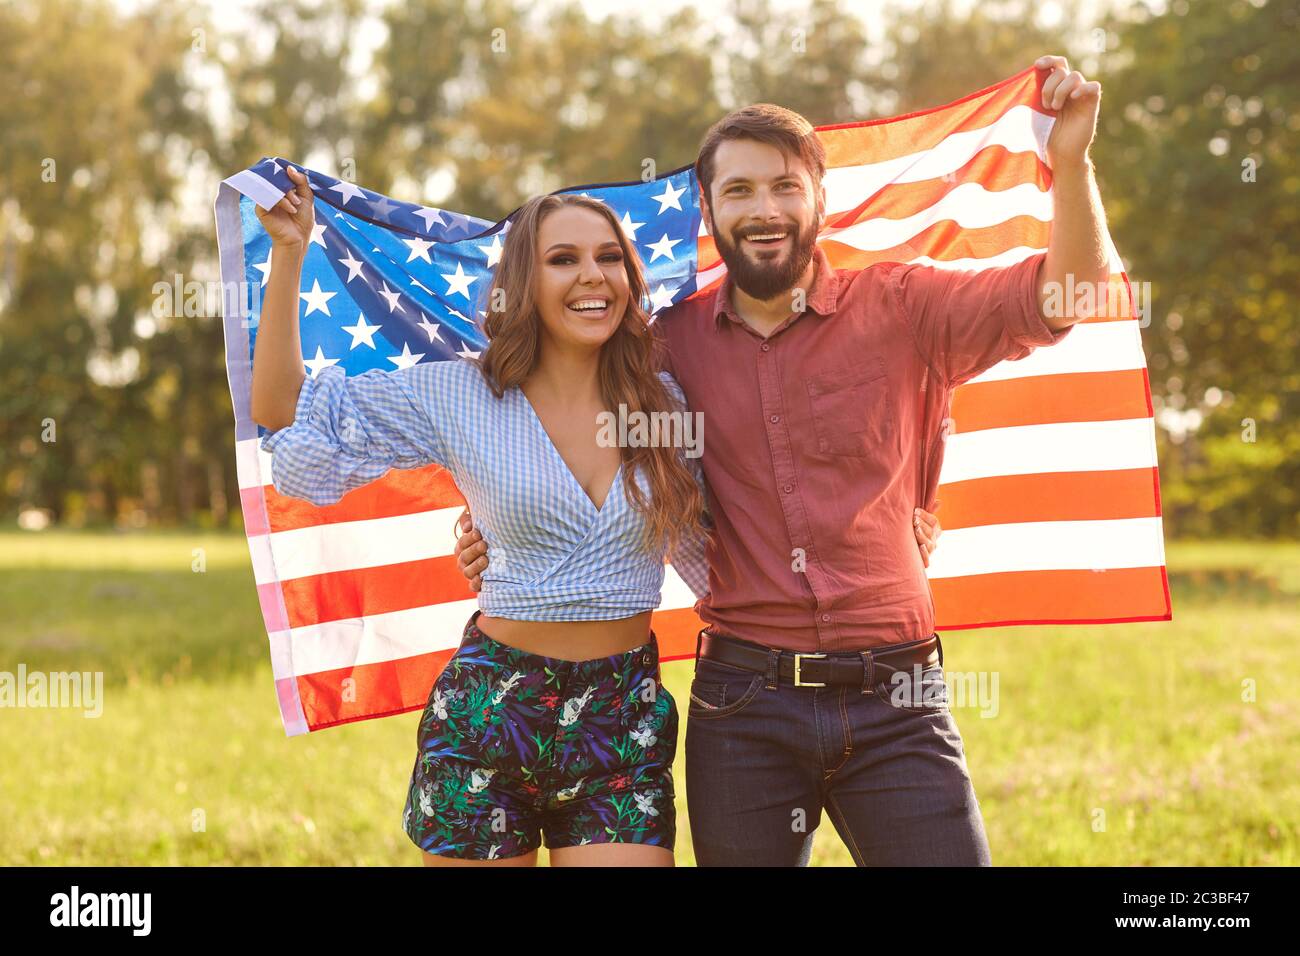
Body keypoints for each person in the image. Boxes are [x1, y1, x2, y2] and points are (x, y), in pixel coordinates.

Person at [454, 56, 1106, 865]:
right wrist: (488, 521)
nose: (764, 210)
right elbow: (554, 424)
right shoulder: (664, 348)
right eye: (738, 191)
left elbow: (1068, 295)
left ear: (819, 201)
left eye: (784, 187)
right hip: (744, 705)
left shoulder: (903, 306)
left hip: (898, 697)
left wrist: (1072, 161)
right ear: (710, 209)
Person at [250, 167, 715, 866]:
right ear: (523, 284)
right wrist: (291, 254)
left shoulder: (668, 406)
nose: (593, 276)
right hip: (489, 715)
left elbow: (757, 507)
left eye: (609, 256)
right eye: (564, 259)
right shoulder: (462, 393)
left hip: (621, 717)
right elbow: (282, 416)